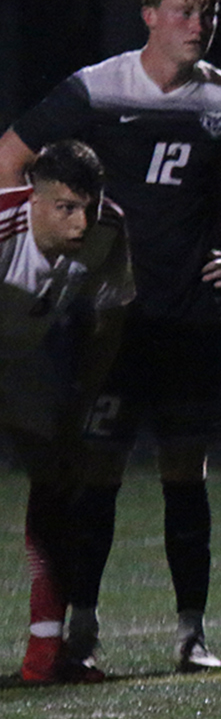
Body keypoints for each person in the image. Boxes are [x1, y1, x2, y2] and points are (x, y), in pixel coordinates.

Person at [0, 0, 221, 674]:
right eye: (182, 10)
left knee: (183, 471)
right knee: (97, 471)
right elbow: (10, 159)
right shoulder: (98, 89)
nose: (197, 25)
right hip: (112, 319)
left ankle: (191, 633)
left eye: (207, 14)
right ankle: (83, 628)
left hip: (190, 313)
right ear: (148, 14)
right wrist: (40, 256)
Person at [0, 140, 133, 683]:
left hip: (21, 357)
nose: (82, 222)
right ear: (32, 198)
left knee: (57, 479)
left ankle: (45, 654)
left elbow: (111, 320)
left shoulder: (110, 229)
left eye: (90, 206)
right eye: (66, 208)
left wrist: (82, 400)